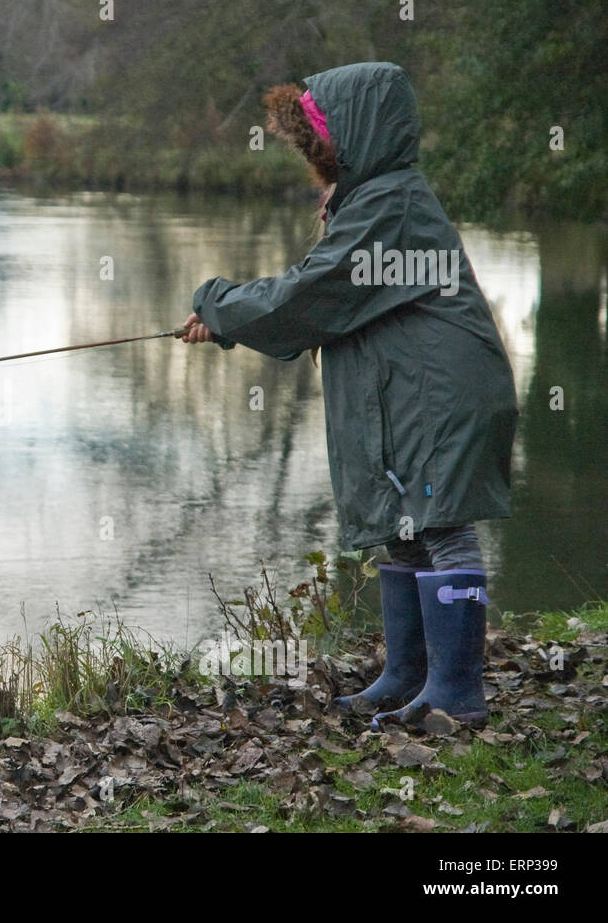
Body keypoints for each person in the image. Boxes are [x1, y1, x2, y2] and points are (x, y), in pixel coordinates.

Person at [182, 62, 518, 728]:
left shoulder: (393, 204)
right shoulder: (370, 201)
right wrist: (226, 324)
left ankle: (456, 693)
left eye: (319, 136)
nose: (313, 152)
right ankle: (407, 677)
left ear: (359, 131)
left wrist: (219, 306)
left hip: (440, 396)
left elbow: (313, 297)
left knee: (442, 529)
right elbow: (316, 294)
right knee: (406, 532)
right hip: (411, 396)